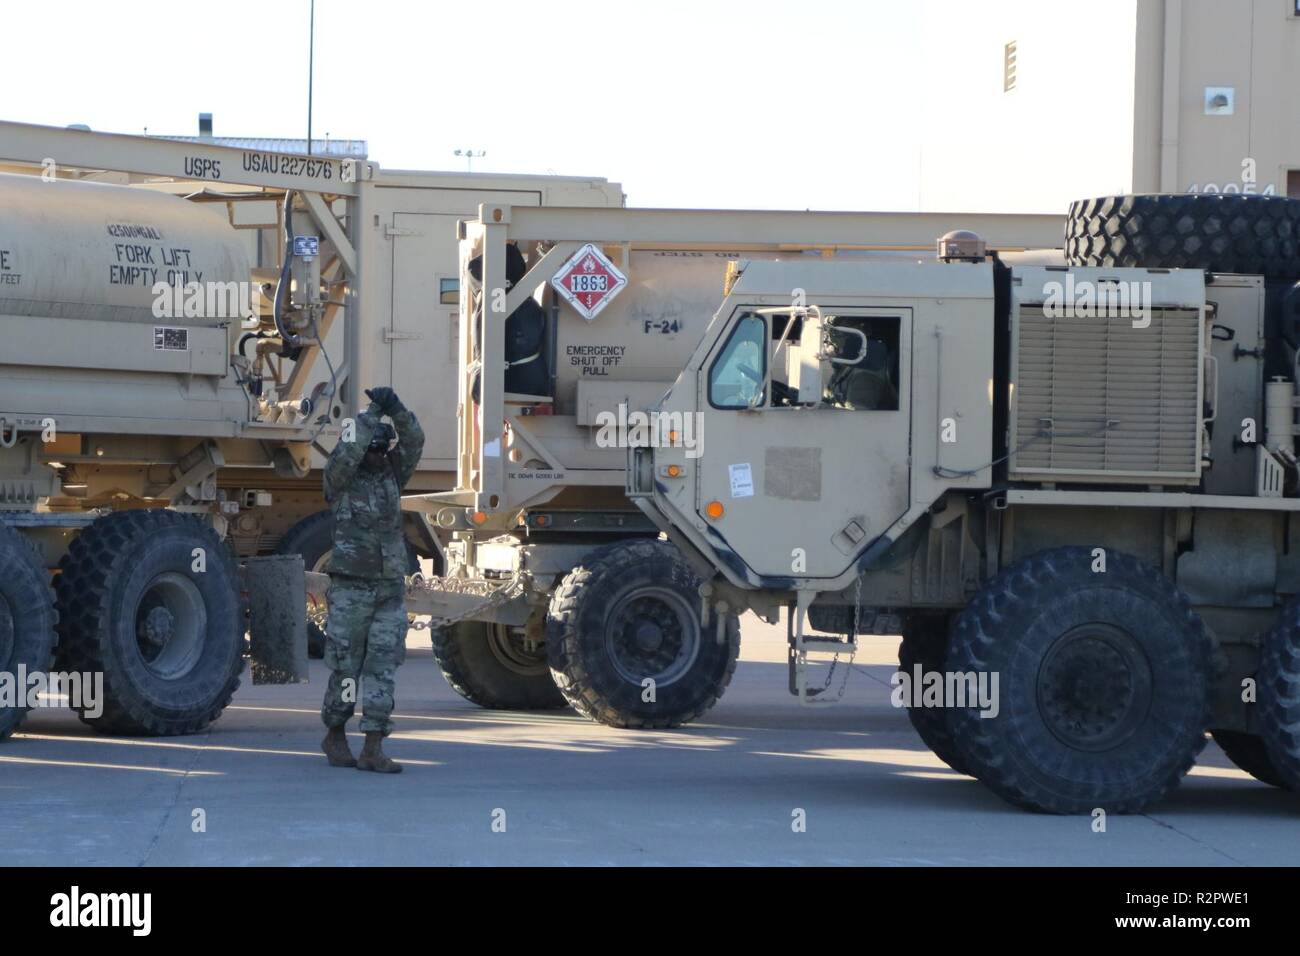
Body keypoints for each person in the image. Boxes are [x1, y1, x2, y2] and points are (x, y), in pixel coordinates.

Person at [319, 386, 424, 773]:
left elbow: (414, 439)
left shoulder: (392, 474)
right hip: (351, 586)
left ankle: (374, 746)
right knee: (346, 667)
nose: (379, 455)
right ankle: (335, 733)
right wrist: (367, 418)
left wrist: (395, 409)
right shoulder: (341, 478)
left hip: (388, 586)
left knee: (382, 666)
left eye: (383, 448)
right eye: (373, 449)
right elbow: (344, 453)